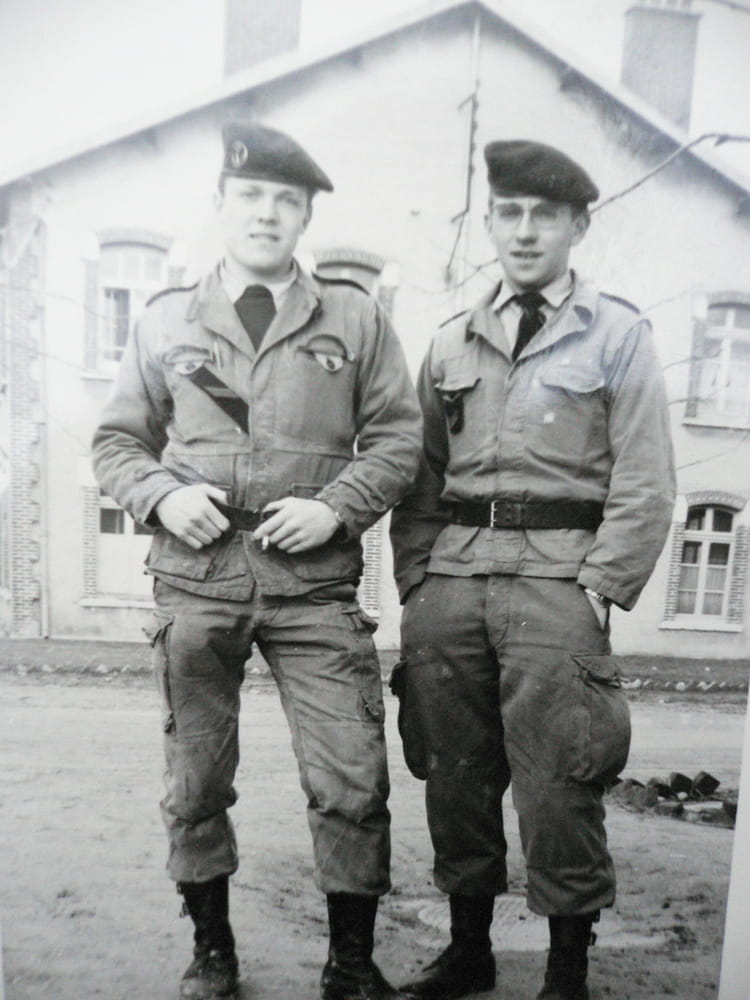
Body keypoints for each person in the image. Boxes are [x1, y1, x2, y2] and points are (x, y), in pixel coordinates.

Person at [92, 120, 421, 1000]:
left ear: (306, 213)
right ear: (221, 205)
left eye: (287, 200)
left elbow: (396, 441)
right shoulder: (167, 320)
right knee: (196, 777)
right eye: (252, 197)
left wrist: (336, 508)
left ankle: (350, 964)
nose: (268, 214)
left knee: (352, 777)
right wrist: (164, 494)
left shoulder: (355, 319)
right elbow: (118, 441)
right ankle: (213, 954)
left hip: (314, 584)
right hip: (197, 581)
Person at [389, 139, 675, 1000]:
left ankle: (566, 971)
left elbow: (647, 480)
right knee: (456, 780)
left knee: (560, 785)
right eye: (508, 214)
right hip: (454, 581)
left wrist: (600, 587)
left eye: (543, 215)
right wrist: (416, 583)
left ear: (577, 226)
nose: (523, 232)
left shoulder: (618, 334)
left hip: (558, 583)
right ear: (489, 223)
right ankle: (469, 951)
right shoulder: (448, 343)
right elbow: (420, 474)